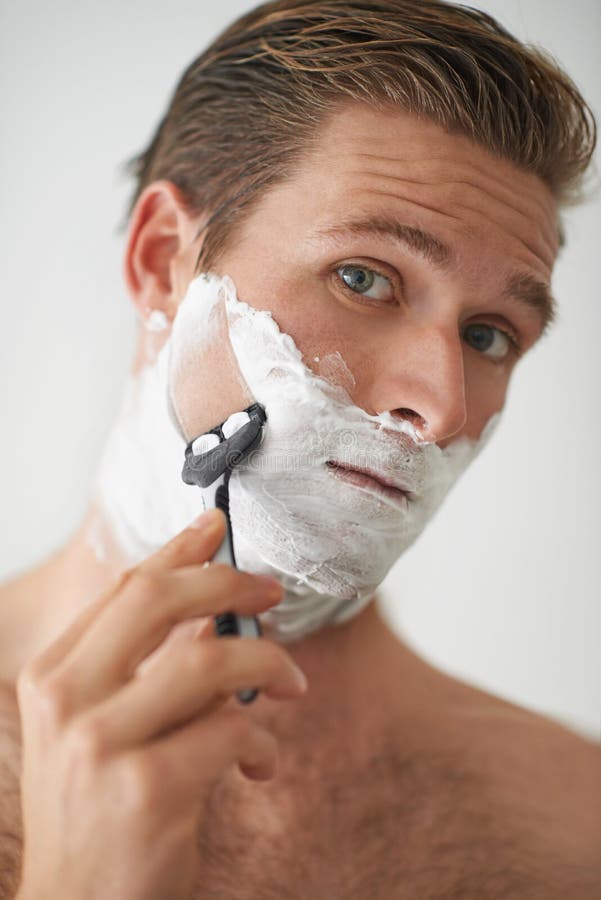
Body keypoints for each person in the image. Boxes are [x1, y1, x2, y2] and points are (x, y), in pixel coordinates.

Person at [1, 1, 599, 897]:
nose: (437, 407)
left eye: (488, 336)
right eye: (364, 278)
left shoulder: (575, 816)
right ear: (165, 257)